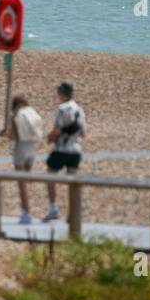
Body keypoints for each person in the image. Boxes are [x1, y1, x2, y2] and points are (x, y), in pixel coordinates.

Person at [43, 82, 85, 222]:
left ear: (61, 93)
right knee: (72, 181)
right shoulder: (79, 109)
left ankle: (53, 208)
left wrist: (50, 138)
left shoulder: (62, 109)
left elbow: (57, 129)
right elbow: (83, 133)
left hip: (62, 148)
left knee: (50, 176)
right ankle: (73, 212)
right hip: (76, 149)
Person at [9, 95, 44, 225]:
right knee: (28, 179)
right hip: (32, 149)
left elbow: (12, 136)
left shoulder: (16, 116)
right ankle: (35, 207)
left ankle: (26, 212)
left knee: (21, 184)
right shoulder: (32, 113)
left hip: (21, 149)